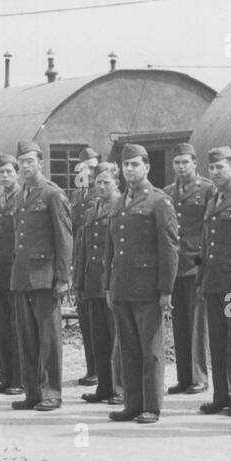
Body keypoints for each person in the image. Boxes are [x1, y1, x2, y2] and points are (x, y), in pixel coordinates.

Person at [104, 146, 179, 424]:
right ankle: (132, 403)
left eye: (135, 164)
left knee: (151, 351)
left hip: (147, 288)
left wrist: (166, 290)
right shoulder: (119, 202)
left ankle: (152, 406)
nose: (129, 170)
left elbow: (169, 248)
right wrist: (108, 286)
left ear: (146, 167)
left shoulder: (159, 202)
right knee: (128, 349)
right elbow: (110, 251)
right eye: (125, 165)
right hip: (122, 286)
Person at [10, 140, 73, 412]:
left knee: (48, 337)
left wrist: (62, 277)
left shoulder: (52, 194)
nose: (25, 166)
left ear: (41, 163)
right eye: (21, 162)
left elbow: (64, 238)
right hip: (23, 276)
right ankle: (33, 392)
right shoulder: (21, 194)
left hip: (45, 276)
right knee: (27, 337)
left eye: (30, 161)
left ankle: (51, 393)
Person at [198, 147, 231, 418]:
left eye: (220, 167)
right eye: (212, 168)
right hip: (213, 282)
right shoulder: (213, 196)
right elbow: (208, 240)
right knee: (217, 341)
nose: (215, 172)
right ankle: (221, 396)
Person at [162, 142, 214, 395]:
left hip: (196, 265)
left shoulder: (207, 190)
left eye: (186, 162)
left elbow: (211, 230)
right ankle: (183, 377)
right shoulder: (168, 192)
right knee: (179, 323)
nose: (181, 167)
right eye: (177, 163)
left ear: (195, 163)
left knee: (197, 325)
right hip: (175, 266)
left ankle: (199, 377)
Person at [75, 164, 119, 404]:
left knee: (116, 340)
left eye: (107, 183)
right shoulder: (92, 210)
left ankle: (119, 388)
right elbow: (83, 249)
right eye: (98, 183)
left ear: (116, 184)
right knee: (98, 339)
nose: (101, 187)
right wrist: (79, 282)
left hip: (111, 282)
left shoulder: (121, 206)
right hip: (92, 283)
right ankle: (104, 387)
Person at [0, 156, 22, 395]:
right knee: (2, 327)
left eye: (9, 171)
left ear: (16, 173)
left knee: (17, 327)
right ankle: (7, 375)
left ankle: (19, 379)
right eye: (2, 172)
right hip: (0, 271)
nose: (5, 176)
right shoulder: (0, 202)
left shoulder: (22, 198)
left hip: (16, 271)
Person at [68, 146, 100, 385]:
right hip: (80, 259)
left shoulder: (101, 194)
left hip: (97, 261)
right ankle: (92, 368)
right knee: (86, 320)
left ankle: (103, 370)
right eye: (80, 169)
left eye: (90, 167)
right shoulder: (77, 196)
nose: (84, 172)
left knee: (101, 318)